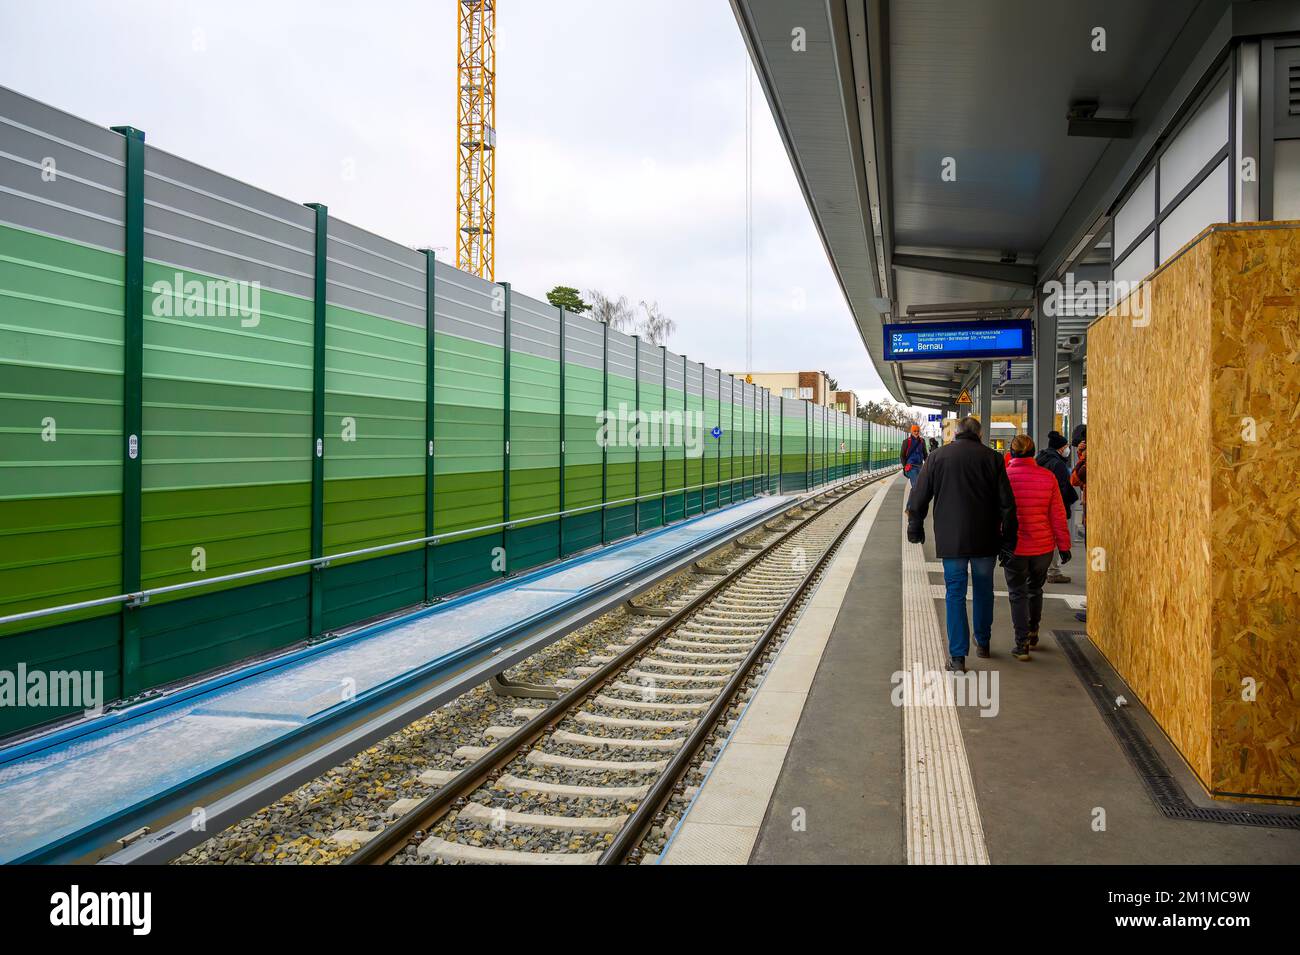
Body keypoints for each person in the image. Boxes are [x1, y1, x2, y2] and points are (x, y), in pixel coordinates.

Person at [906, 416, 1017, 672]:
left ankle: (957, 657)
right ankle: (983, 642)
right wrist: (1009, 540)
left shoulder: (937, 457)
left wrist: (915, 526)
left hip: (951, 538)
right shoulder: (992, 458)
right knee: (983, 589)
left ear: (955, 433)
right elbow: (1007, 504)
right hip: (985, 538)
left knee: (954, 594)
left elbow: (920, 494)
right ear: (979, 434)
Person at [1002, 434, 1072, 660]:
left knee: (1017, 593)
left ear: (1012, 453)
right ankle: (1033, 631)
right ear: (1033, 453)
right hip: (1043, 548)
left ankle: (1021, 644)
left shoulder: (1005, 477)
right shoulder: (1048, 477)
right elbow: (1058, 515)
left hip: (1014, 547)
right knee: (1035, 589)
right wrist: (1064, 545)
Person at [1035, 431, 1078, 583]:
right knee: (1053, 538)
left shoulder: (1040, 459)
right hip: (1053, 506)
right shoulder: (1058, 464)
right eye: (1066, 446)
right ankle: (1053, 571)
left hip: (1039, 505)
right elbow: (1063, 488)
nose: (1068, 449)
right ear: (1061, 448)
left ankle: (1045, 569)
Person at [900, 423, 927, 502]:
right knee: (916, 487)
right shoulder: (906, 442)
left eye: (917, 431)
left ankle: (914, 506)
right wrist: (905, 466)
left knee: (920, 487)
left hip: (920, 466)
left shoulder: (922, 441)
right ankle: (910, 507)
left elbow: (925, 454)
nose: (916, 432)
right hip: (911, 467)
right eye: (914, 431)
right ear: (911, 431)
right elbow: (902, 455)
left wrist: (928, 464)